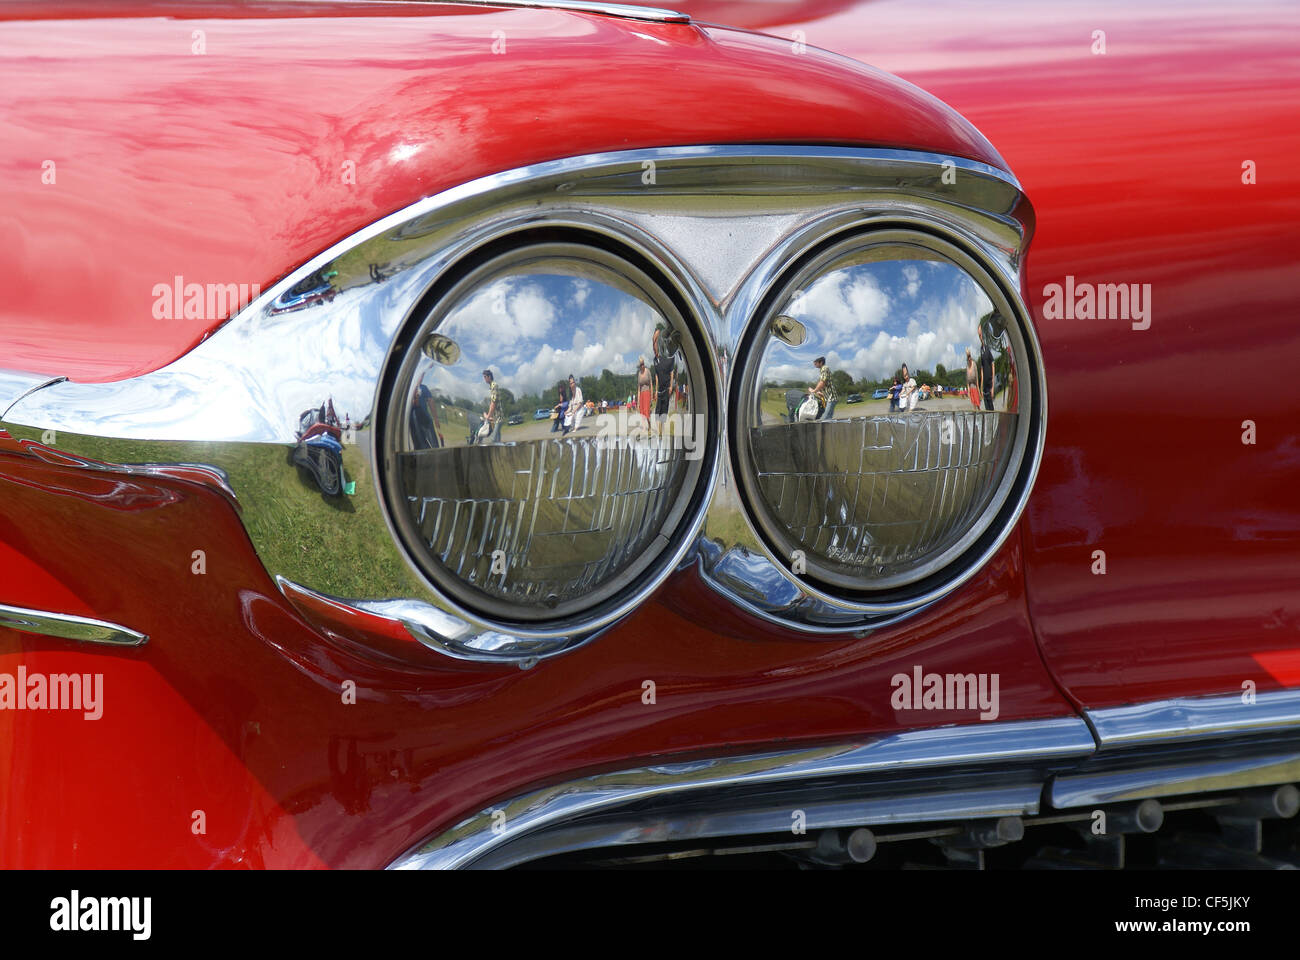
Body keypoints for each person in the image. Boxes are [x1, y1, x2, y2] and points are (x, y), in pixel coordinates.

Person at [652, 349, 675, 433]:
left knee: (664, 411)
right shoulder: (654, 360)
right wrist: (656, 390)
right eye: (653, 348)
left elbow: (671, 371)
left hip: (666, 388)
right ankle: (659, 432)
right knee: (657, 411)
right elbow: (657, 376)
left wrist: (671, 386)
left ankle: (663, 429)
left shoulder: (666, 357)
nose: (654, 350)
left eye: (656, 347)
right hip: (659, 390)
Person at [811, 356, 836, 420]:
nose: (815, 365)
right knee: (828, 418)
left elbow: (822, 382)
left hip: (831, 398)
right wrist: (820, 392)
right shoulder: (822, 370)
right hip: (828, 398)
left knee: (824, 418)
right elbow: (825, 385)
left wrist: (814, 390)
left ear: (821, 362)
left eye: (816, 363)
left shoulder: (824, 368)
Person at [977, 326, 995, 412]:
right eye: (979, 335)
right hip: (985, 387)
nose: (980, 336)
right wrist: (981, 387)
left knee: (992, 409)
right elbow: (982, 370)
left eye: (981, 334)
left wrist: (992, 386)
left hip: (990, 384)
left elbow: (993, 365)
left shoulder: (988, 347)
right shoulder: (981, 349)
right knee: (988, 410)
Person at [482, 369, 503, 442]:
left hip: (498, 418)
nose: (484, 379)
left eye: (485, 377)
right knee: (497, 440)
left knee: (493, 440)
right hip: (496, 418)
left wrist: (487, 417)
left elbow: (493, 404)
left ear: (489, 376)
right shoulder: (492, 387)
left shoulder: (494, 386)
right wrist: (489, 416)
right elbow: (492, 403)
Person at [636, 356, 652, 424]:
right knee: (642, 411)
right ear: (639, 366)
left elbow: (651, 384)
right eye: (641, 365)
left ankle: (649, 424)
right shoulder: (639, 374)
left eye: (643, 364)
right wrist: (638, 402)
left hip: (647, 392)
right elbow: (639, 389)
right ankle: (644, 427)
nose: (642, 366)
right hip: (641, 394)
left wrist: (651, 396)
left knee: (646, 410)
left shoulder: (647, 371)